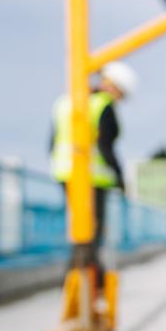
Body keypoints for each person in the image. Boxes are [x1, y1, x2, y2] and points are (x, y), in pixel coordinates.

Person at [50, 62, 137, 277]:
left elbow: (51, 143)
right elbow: (105, 147)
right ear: (114, 86)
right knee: (93, 230)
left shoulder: (64, 102)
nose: (119, 100)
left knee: (79, 228)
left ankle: (79, 278)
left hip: (64, 173)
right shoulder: (102, 105)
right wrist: (120, 177)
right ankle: (88, 276)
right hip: (94, 178)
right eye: (121, 95)